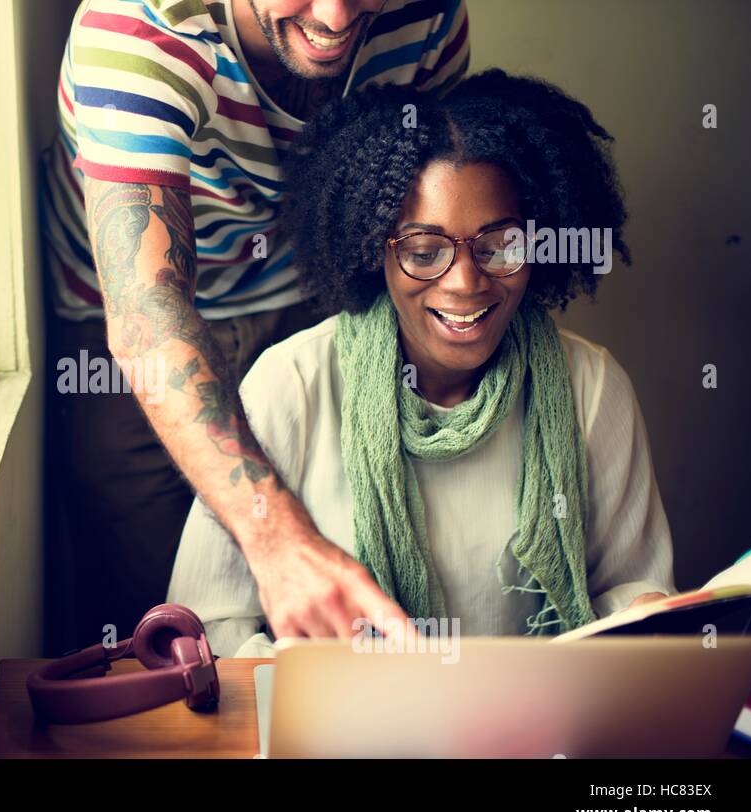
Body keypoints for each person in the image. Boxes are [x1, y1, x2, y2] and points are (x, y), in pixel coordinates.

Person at [168, 70, 676, 656]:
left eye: (499, 243)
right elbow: (210, 623)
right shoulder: (291, 385)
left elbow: (627, 585)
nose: (465, 281)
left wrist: (646, 611)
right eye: (424, 250)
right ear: (371, 247)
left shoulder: (591, 388)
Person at [42, 0, 471, 651]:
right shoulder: (134, 29)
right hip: (132, 331)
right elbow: (147, 315)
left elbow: (440, 193)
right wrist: (279, 539)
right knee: (154, 633)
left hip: (316, 295)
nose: (334, 17)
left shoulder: (430, 14)